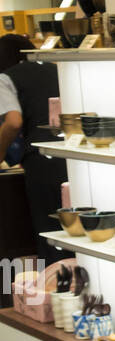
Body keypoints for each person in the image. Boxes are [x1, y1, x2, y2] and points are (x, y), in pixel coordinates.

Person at [0, 33, 69, 261]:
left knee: (51, 232)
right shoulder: (57, 70)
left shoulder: (6, 78)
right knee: (78, 229)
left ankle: (56, 289)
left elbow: (13, 121)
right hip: (76, 155)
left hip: (42, 160)